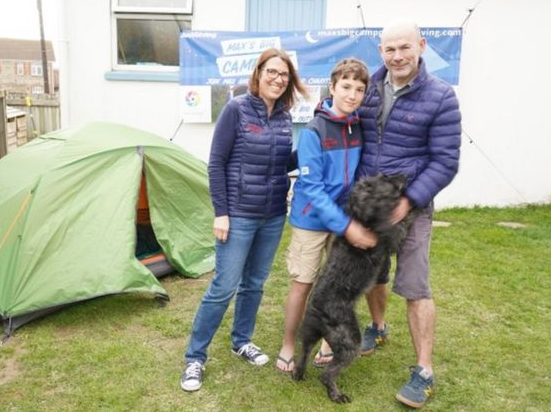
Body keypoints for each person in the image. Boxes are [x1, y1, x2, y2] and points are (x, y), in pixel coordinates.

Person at [181, 48, 307, 392]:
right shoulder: (236, 109)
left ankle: (241, 340)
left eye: (284, 75)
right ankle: (195, 357)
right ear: (259, 72)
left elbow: (280, 163)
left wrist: (311, 146)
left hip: (272, 215)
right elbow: (216, 163)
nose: (278, 79)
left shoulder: (284, 117)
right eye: (272, 72)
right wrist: (221, 212)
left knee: (254, 284)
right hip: (237, 214)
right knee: (223, 287)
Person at [356, 21, 461, 408]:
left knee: (415, 288)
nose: (397, 56)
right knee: (373, 274)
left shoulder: (441, 97)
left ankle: (424, 371)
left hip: (411, 209)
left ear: (421, 45)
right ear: (380, 51)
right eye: (389, 49)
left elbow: (446, 161)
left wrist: (408, 201)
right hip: (371, 205)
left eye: (404, 47)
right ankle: (378, 328)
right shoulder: (367, 88)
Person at [275, 58, 377, 374]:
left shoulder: (357, 126)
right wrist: (347, 227)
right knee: (303, 284)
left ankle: (328, 341)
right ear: (332, 87)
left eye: (360, 89)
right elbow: (314, 190)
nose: (352, 95)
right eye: (346, 87)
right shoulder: (313, 131)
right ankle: (288, 344)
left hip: (344, 220)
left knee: (335, 288)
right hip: (312, 220)